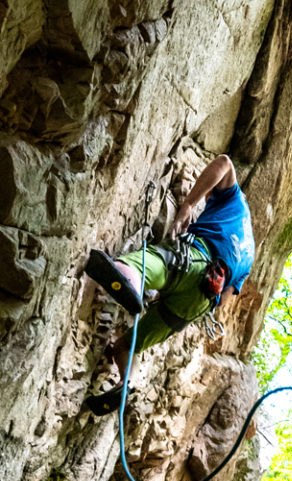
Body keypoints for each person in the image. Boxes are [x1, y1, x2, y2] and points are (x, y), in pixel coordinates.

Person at [84, 153, 254, 414]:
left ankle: (130, 279)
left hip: (195, 260)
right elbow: (225, 299)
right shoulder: (249, 254)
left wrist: (188, 204)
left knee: (128, 268)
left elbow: (224, 162)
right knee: (128, 346)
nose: (208, 199)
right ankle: (125, 382)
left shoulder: (236, 202)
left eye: (210, 196)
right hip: (195, 306)